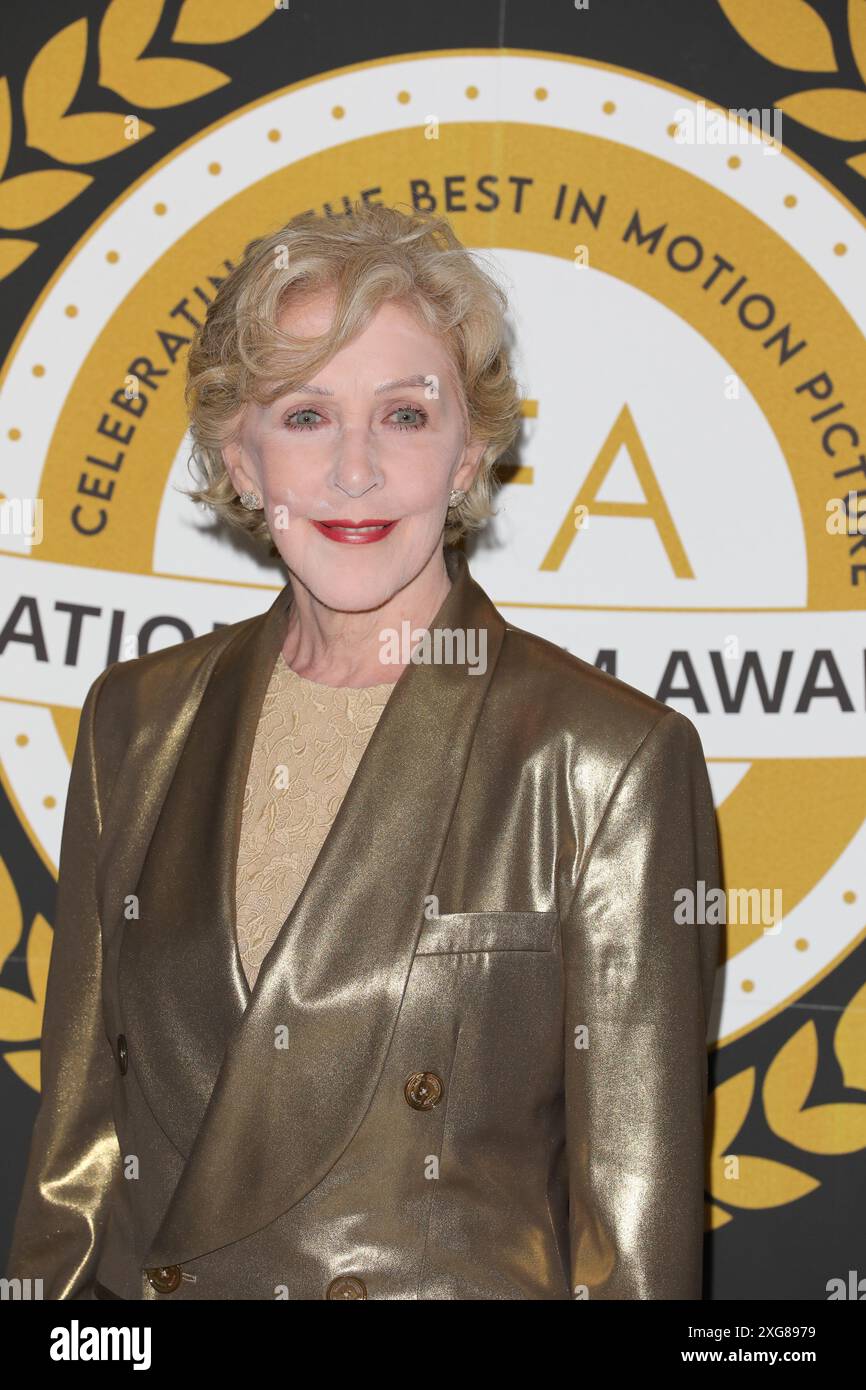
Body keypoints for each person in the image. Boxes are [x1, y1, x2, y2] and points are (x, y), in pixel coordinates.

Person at [6, 202, 720, 1300]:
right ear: (239, 460)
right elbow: (75, 1163)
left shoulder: (606, 760)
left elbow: (634, 1257)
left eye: (401, 414)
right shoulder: (132, 722)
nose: (351, 472)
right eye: (302, 416)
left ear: (469, 450)